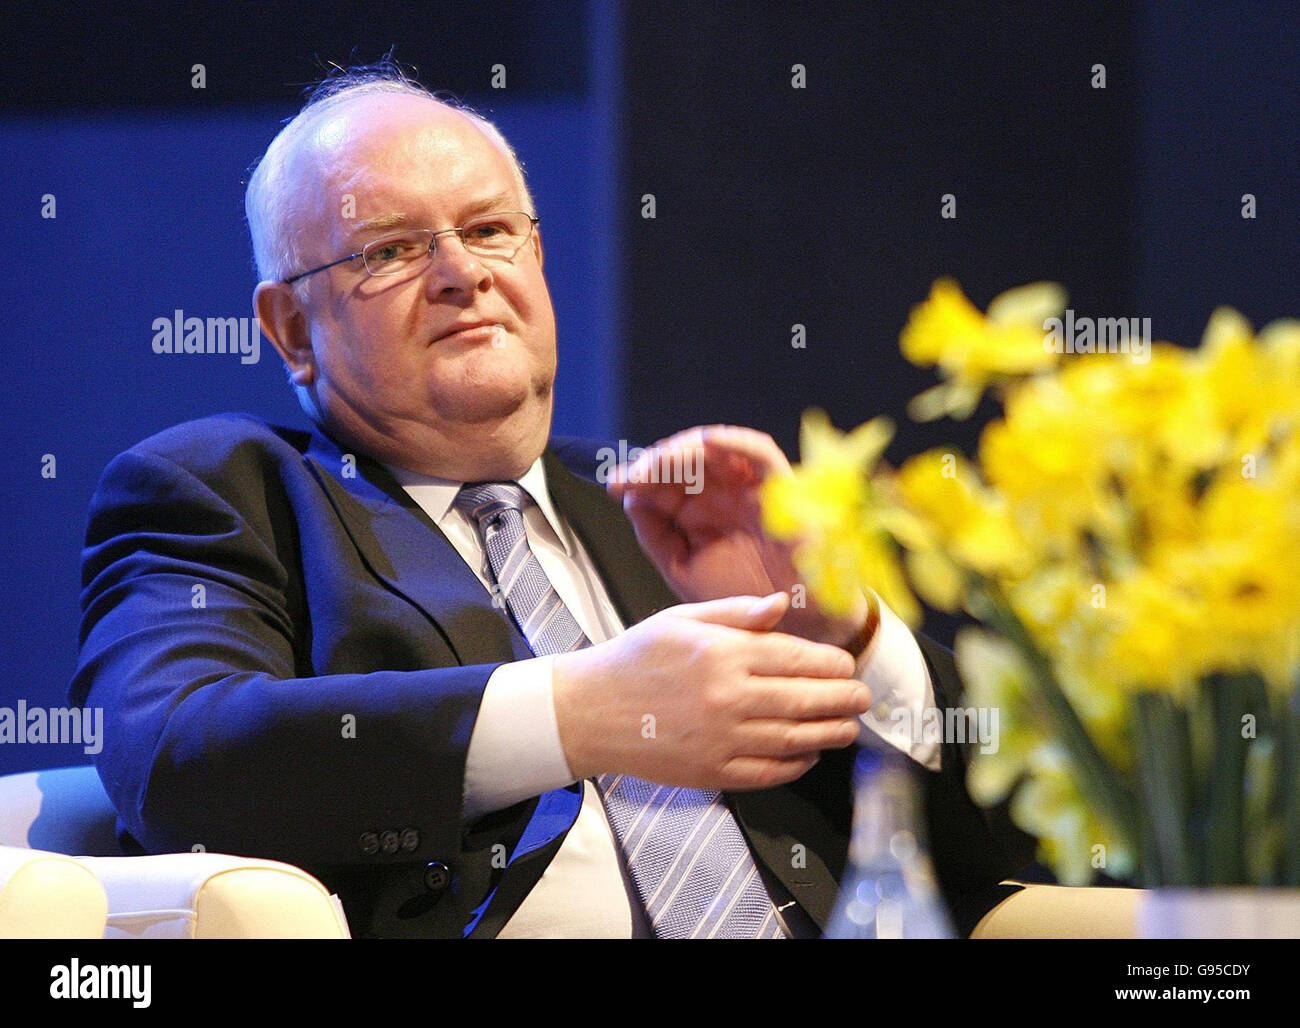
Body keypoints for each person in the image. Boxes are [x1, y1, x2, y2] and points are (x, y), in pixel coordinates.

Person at [70, 64, 1027, 938]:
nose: (462, 272)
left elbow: (1012, 836)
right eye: (391, 249)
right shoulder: (225, 490)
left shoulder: (663, 509)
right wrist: (583, 712)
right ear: (291, 330)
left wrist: (853, 638)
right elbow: (175, 761)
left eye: (489, 230)